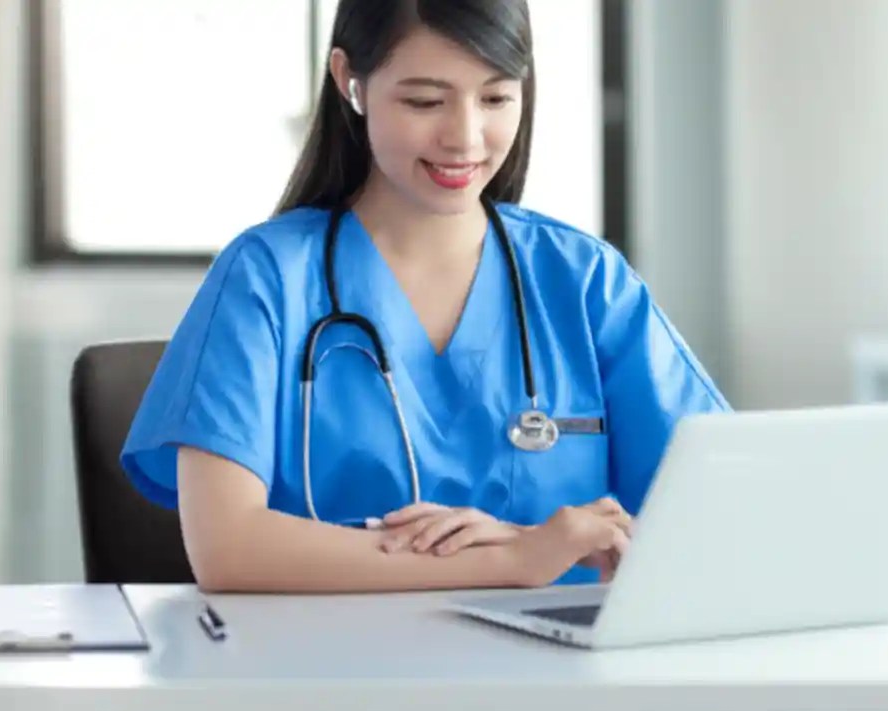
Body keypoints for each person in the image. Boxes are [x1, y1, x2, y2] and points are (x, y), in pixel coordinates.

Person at [120, 0, 730, 593]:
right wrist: (513, 559)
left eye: (495, 97)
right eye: (425, 100)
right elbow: (229, 549)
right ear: (349, 81)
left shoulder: (584, 281)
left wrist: (598, 540)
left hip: (556, 687)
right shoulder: (266, 277)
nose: (465, 137)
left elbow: (722, 512)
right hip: (322, 681)